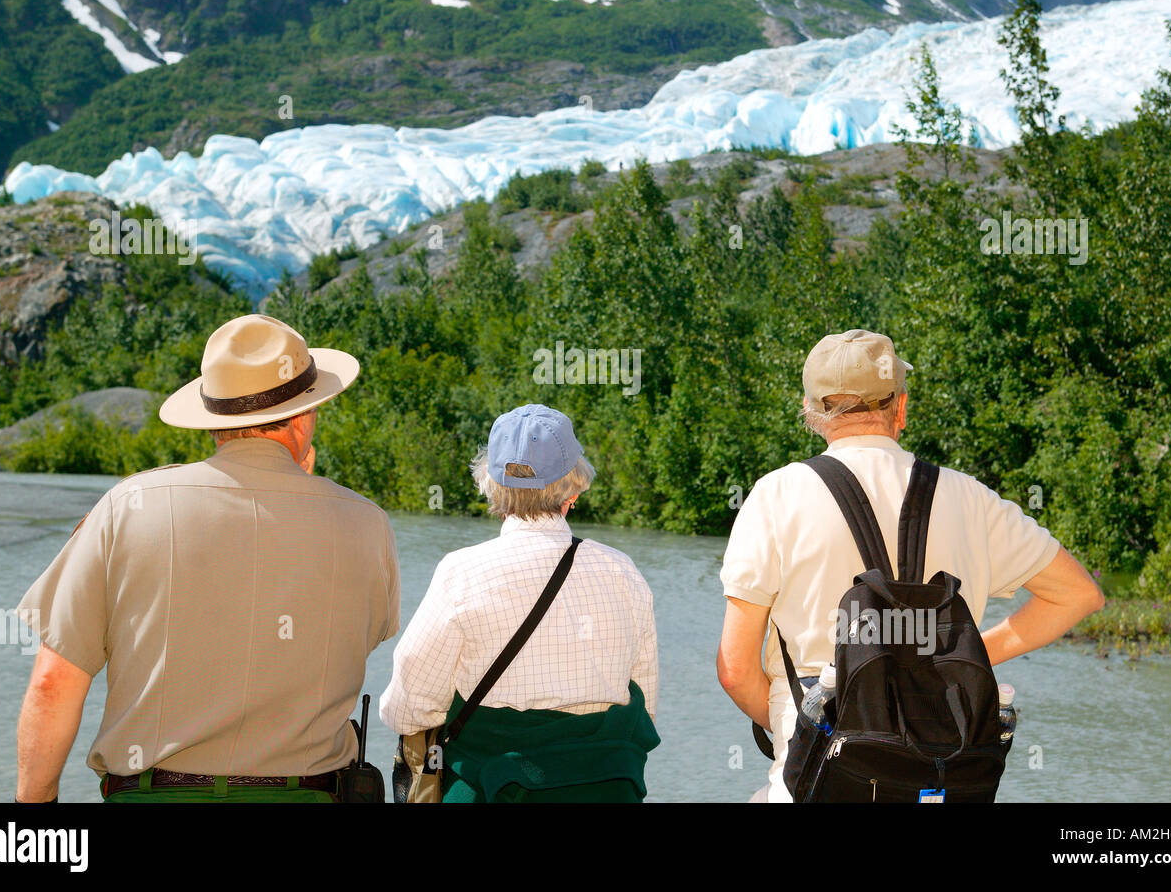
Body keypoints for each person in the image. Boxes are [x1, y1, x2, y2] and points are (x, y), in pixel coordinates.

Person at [14, 314, 401, 802]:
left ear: (215, 421)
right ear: (304, 417)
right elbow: (348, 646)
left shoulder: (125, 507)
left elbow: (54, 681)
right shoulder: (367, 522)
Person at [716, 328, 1104, 803]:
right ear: (900, 405)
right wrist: (963, 657)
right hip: (941, 774)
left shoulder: (775, 496)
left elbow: (735, 670)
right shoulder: (971, 498)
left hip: (816, 775)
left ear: (812, 413)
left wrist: (795, 724)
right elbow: (1079, 594)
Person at [380, 403, 659, 802]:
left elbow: (410, 706)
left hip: (491, 788)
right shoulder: (624, 572)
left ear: (491, 485)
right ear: (575, 487)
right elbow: (644, 707)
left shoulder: (462, 572)